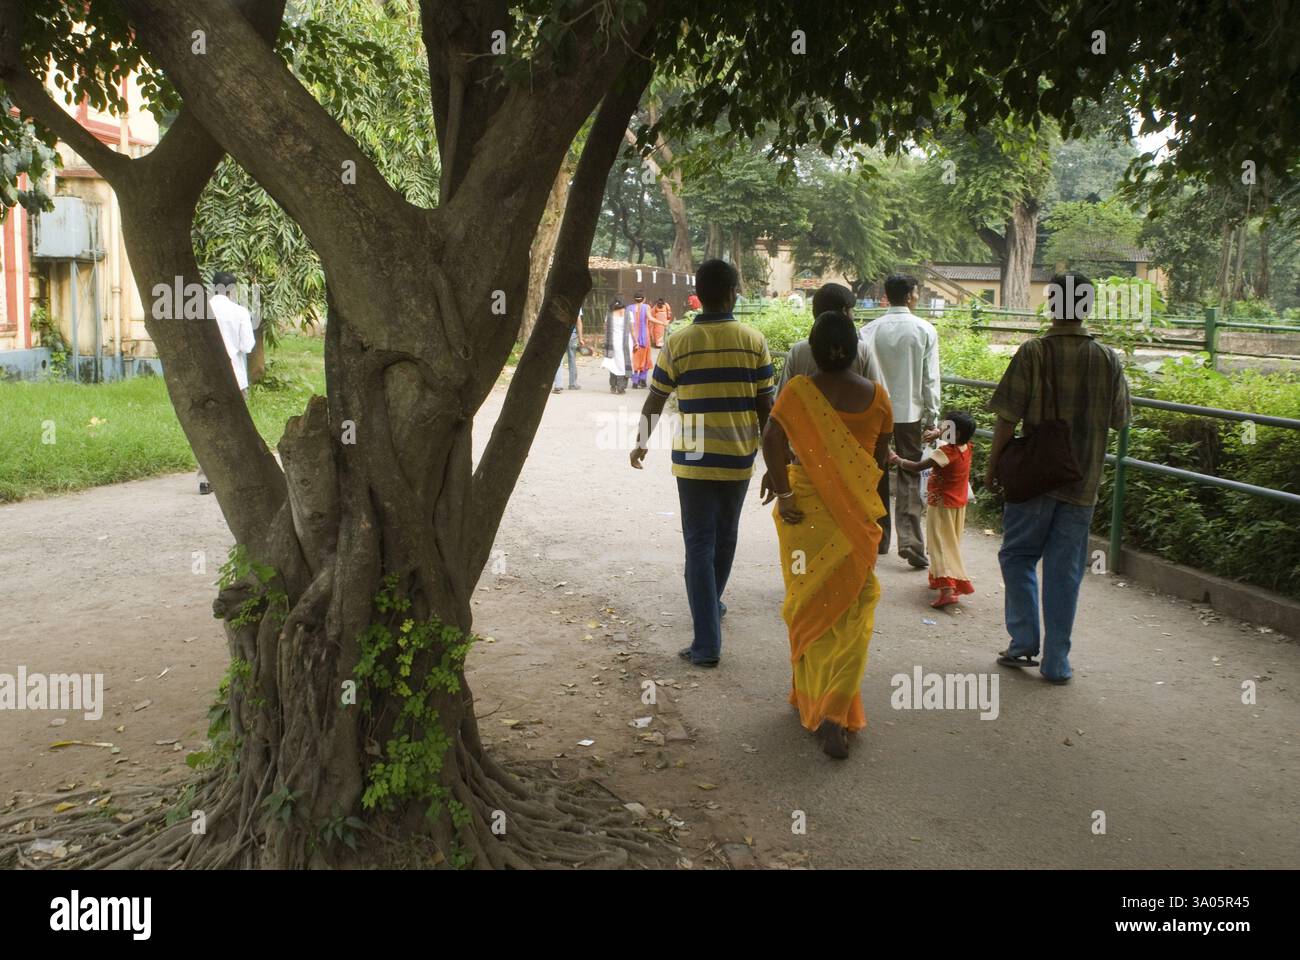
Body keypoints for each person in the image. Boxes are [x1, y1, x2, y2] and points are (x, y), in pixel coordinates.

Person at [986, 273, 1131, 684]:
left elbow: (1006, 417)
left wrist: (993, 465)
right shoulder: (1108, 358)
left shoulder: (1033, 353)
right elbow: (1121, 421)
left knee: (1017, 557)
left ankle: (1022, 644)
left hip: (1033, 479)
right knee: (1065, 572)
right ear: (1086, 308)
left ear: (1052, 305)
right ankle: (1057, 662)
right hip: (1082, 483)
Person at [630, 259, 775, 668]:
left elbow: (656, 397)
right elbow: (768, 408)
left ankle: (707, 639)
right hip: (738, 451)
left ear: (699, 294)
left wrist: (640, 443)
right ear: (732, 294)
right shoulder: (754, 340)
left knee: (698, 544)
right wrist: (777, 462)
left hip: (693, 452)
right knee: (726, 535)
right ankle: (712, 605)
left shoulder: (678, 341)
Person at [761, 311, 891, 759]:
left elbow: (771, 439)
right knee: (853, 610)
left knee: (808, 604)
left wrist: (782, 490)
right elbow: (882, 457)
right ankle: (835, 711)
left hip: (805, 516)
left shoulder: (799, 392)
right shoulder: (878, 397)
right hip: (856, 519)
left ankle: (810, 699)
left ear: (811, 352)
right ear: (856, 350)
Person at [860, 273, 940, 568]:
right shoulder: (924, 330)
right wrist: (934, 416)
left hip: (874, 412)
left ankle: (879, 538)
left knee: (876, 471)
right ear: (910, 296)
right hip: (910, 414)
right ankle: (910, 542)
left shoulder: (869, 330)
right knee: (910, 472)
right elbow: (930, 379)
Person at [890, 409, 976, 608]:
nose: (940, 429)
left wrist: (895, 459)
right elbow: (951, 438)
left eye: (945, 427)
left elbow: (917, 467)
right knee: (951, 542)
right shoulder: (967, 448)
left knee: (939, 544)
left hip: (941, 505)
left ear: (956, 433)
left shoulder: (945, 453)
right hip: (957, 505)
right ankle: (938, 579)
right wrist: (939, 434)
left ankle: (948, 589)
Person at [198, 270, 255, 495]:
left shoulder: (202, 310)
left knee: (207, 427)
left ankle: (205, 479)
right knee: (238, 425)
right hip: (236, 378)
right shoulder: (240, 312)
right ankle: (237, 474)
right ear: (232, 290)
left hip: (207, 377)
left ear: (213, 287)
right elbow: (247, 345)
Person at [552, 307, 586, 394]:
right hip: (572, 335)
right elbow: (578, 322)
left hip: (559, 335)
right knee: (572, 359)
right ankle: (573, 384)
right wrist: (581, 338)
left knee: (558, 360)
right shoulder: (577, 303)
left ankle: (558, 386)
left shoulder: (558, 302)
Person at [601, 298, 631, 394]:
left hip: (612, 343)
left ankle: (613, 386)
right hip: (625, 343)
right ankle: (621, 387)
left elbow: (605, 328)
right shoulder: (628, 313)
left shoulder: (609, 314)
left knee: (613, 363)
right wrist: (636, 342)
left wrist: (605, 339)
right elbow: (633, 329)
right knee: (623, 364)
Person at [627, 292, 653, 388]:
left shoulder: (629, 308)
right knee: (645, 358)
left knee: (634, 359)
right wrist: (662, 322)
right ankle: (642, 380)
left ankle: (634, 381)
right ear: (644, 299)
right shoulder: (646, 307)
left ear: (634, 299)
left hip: (633, 337)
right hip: (644, 336)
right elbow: (650, 318)